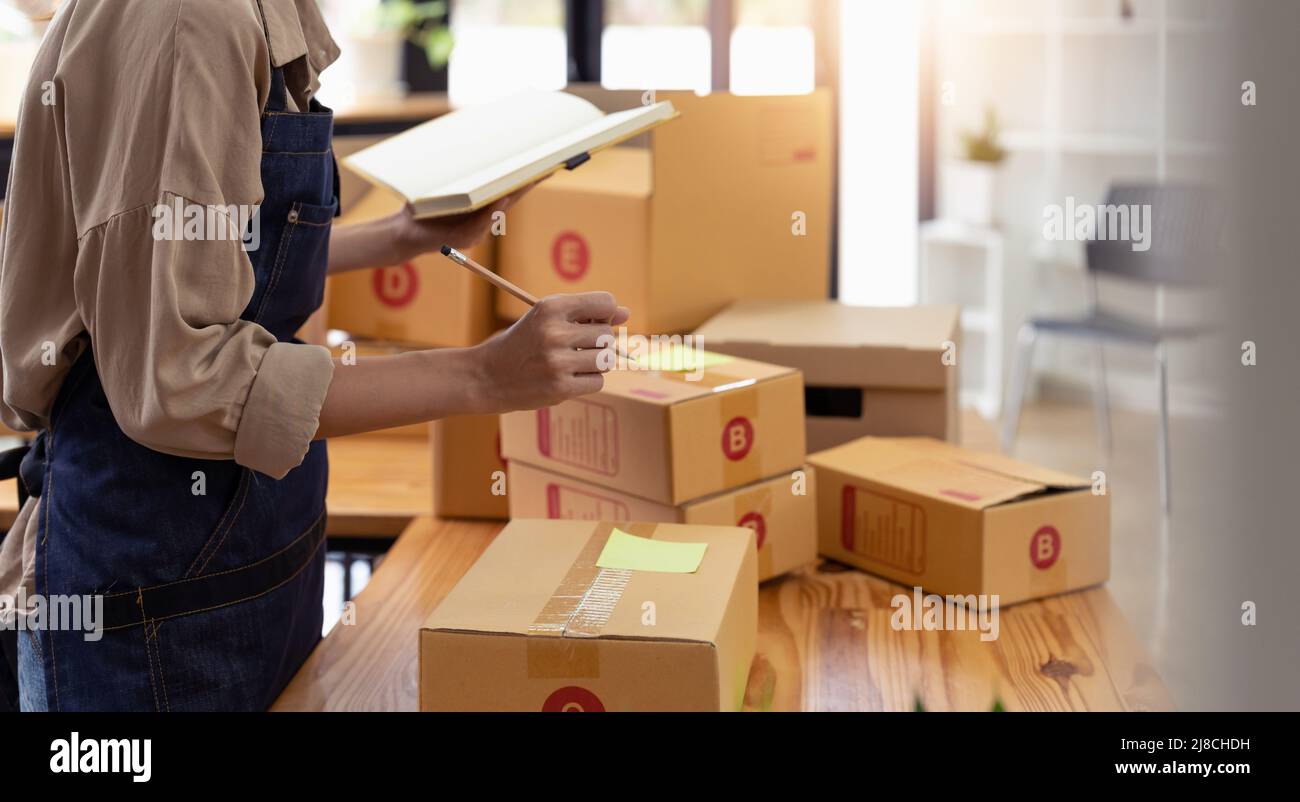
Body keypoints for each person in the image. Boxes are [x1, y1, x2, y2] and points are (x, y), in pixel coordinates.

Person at [0, 0, 625, 711]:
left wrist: (399, 237)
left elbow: (213, 258)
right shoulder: (190, 20)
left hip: (248, 554)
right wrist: (483, 374)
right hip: (151, 591)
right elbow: (178, 378)